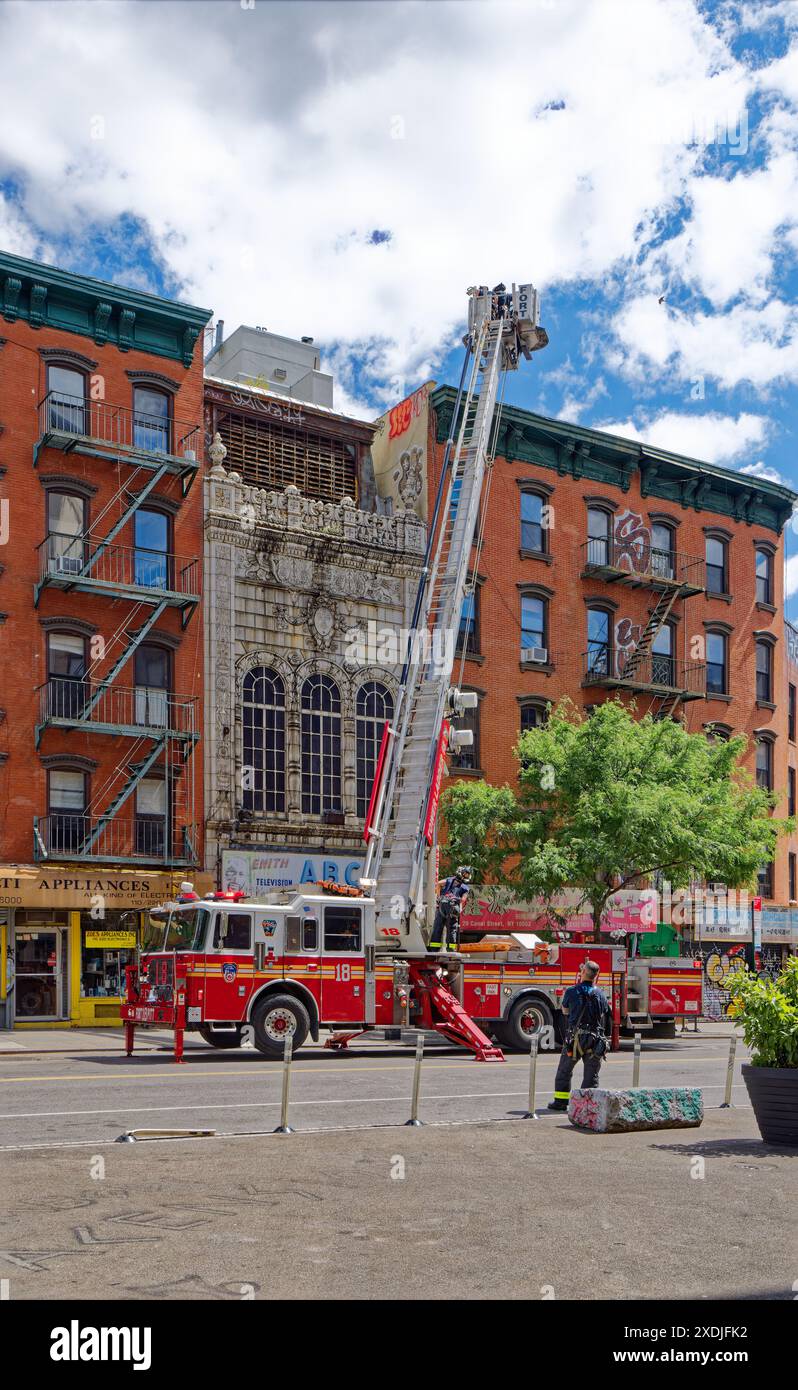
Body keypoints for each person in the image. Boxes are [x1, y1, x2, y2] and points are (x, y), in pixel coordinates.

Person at [547, 960, 612, 1111]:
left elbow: (565, 1011)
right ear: (596, 976)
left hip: (576, 1039)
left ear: (583, 973)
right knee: (591, 1075)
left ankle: (561, 1103)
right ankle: (586, 1106)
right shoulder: (601, 994)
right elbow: (605, 1013)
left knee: (564, 1070)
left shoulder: (571, 991)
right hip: (595, 1039)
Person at [429, 866, 472, 952]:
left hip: (442, 905)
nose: (466, 876)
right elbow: (463, 900)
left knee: (437, 927)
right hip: (452, 908)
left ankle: (434, 949)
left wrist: (438, 897)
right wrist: (460, 909)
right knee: (452, 928)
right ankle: (451, 949)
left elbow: (438, 884)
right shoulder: (465, 887)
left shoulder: (449, 879)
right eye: (465, 874)